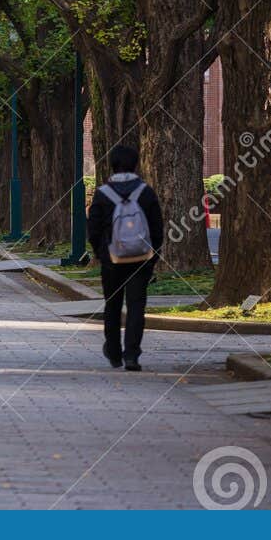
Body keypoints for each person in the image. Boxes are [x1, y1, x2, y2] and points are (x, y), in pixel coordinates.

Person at [87, 143, 164, 372]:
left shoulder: (103, 194)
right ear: (135, 163)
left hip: (112, 259)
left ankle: (113, 351)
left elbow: (94, 229)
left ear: (112, 165)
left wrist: (101, 254)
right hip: (140, 258)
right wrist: (152, 256)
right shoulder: (146, 192)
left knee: (112, 305)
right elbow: (157, 228)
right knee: (136, 306)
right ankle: (132, 355)